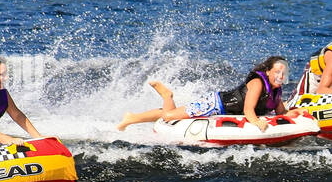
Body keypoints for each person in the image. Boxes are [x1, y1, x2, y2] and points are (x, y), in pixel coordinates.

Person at [117, 56, 300, 133]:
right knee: (168, 116)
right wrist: (257, 123)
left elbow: (280, 112)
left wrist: (291, 114)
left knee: (174, 114)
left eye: (283, 74)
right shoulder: (257, 83)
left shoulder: (277, 89)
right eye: (277, 72)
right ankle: (166, 96)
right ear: (267, 72)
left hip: (226, 111)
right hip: (215, 104)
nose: (280, 76)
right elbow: (248, 109)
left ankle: (131, 118)